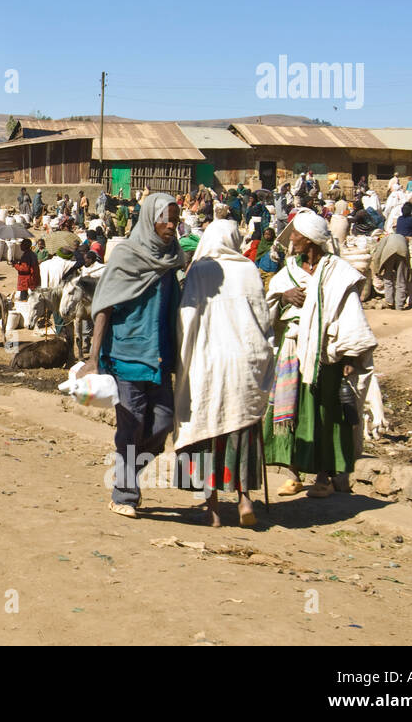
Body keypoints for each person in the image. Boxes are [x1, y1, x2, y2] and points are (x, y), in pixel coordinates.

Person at [77, 193, 184, 518]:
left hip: (159, 358)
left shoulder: (171, 259)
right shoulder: (126, 256)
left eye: (176, 220)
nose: (171, 225)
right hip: (125, 355)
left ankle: (129, 470)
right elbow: (103, 306)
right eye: (166, 219)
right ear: (151, 219)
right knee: (131, 424)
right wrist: (93, 358)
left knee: (163, 423)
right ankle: (124, 495)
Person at [262, 211, 377, 498]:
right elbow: (268, 304)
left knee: (325, 414)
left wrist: (351, 357)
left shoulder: (338, 272)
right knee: (290, 411)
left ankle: (325, 476)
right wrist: (284, 296)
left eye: (297, 236)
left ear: (312, 240)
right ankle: (293, 473)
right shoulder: (288, 271)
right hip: (291, 352)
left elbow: (351, 315)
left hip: (326, 356)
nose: (292, 240)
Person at [172, 220, 274, 528]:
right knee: (241, 429)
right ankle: (245, 500)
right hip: (244, 362)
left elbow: (186, 318)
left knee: (208, 431)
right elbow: (263, 318)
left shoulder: (200, 271)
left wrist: (181, 358)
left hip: (208, 363)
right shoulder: (248, 270)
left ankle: (213, 509)